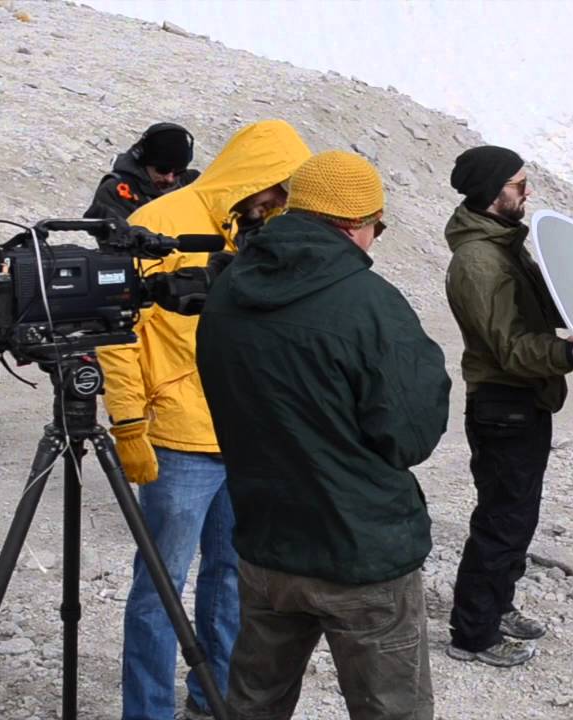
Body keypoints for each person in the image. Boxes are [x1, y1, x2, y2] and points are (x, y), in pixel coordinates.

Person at [196, 150, 451, 720]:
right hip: (361, 552)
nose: (375, 241)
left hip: (267, 544)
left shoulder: (230, 287)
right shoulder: (370, 305)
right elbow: (411, 436)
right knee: (393, 710)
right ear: (357, 223)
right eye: (377, 228)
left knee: (253, 704)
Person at [98, 119, 312, 720]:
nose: (277, 203)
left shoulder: (263, 236)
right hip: (177, 442)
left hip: (247, 439)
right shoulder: (162, 221)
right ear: (250, 175)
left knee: (233, 585)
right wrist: (128, 422)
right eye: (274, 189)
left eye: (287, 194)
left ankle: (215, 702)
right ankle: (147, 712)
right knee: (160, 590)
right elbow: (117, 333)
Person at [443, 145, 573, 668]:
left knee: (518, 514)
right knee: (501, 521)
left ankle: (496, 606)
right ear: (492, 195)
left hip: (524, 401)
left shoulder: (504, 245)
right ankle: (473, 635)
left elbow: (547, 303)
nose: (526, 191)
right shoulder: (478, 262)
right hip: (502, 403)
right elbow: (508, 346)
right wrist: (565, 354)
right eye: (517, 184)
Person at [85, 122, 201, 221]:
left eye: (178, 171)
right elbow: (115, 241)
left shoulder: (194, 182)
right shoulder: (114, 191)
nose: (170, 178)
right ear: (142, 161)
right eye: (162, 170)